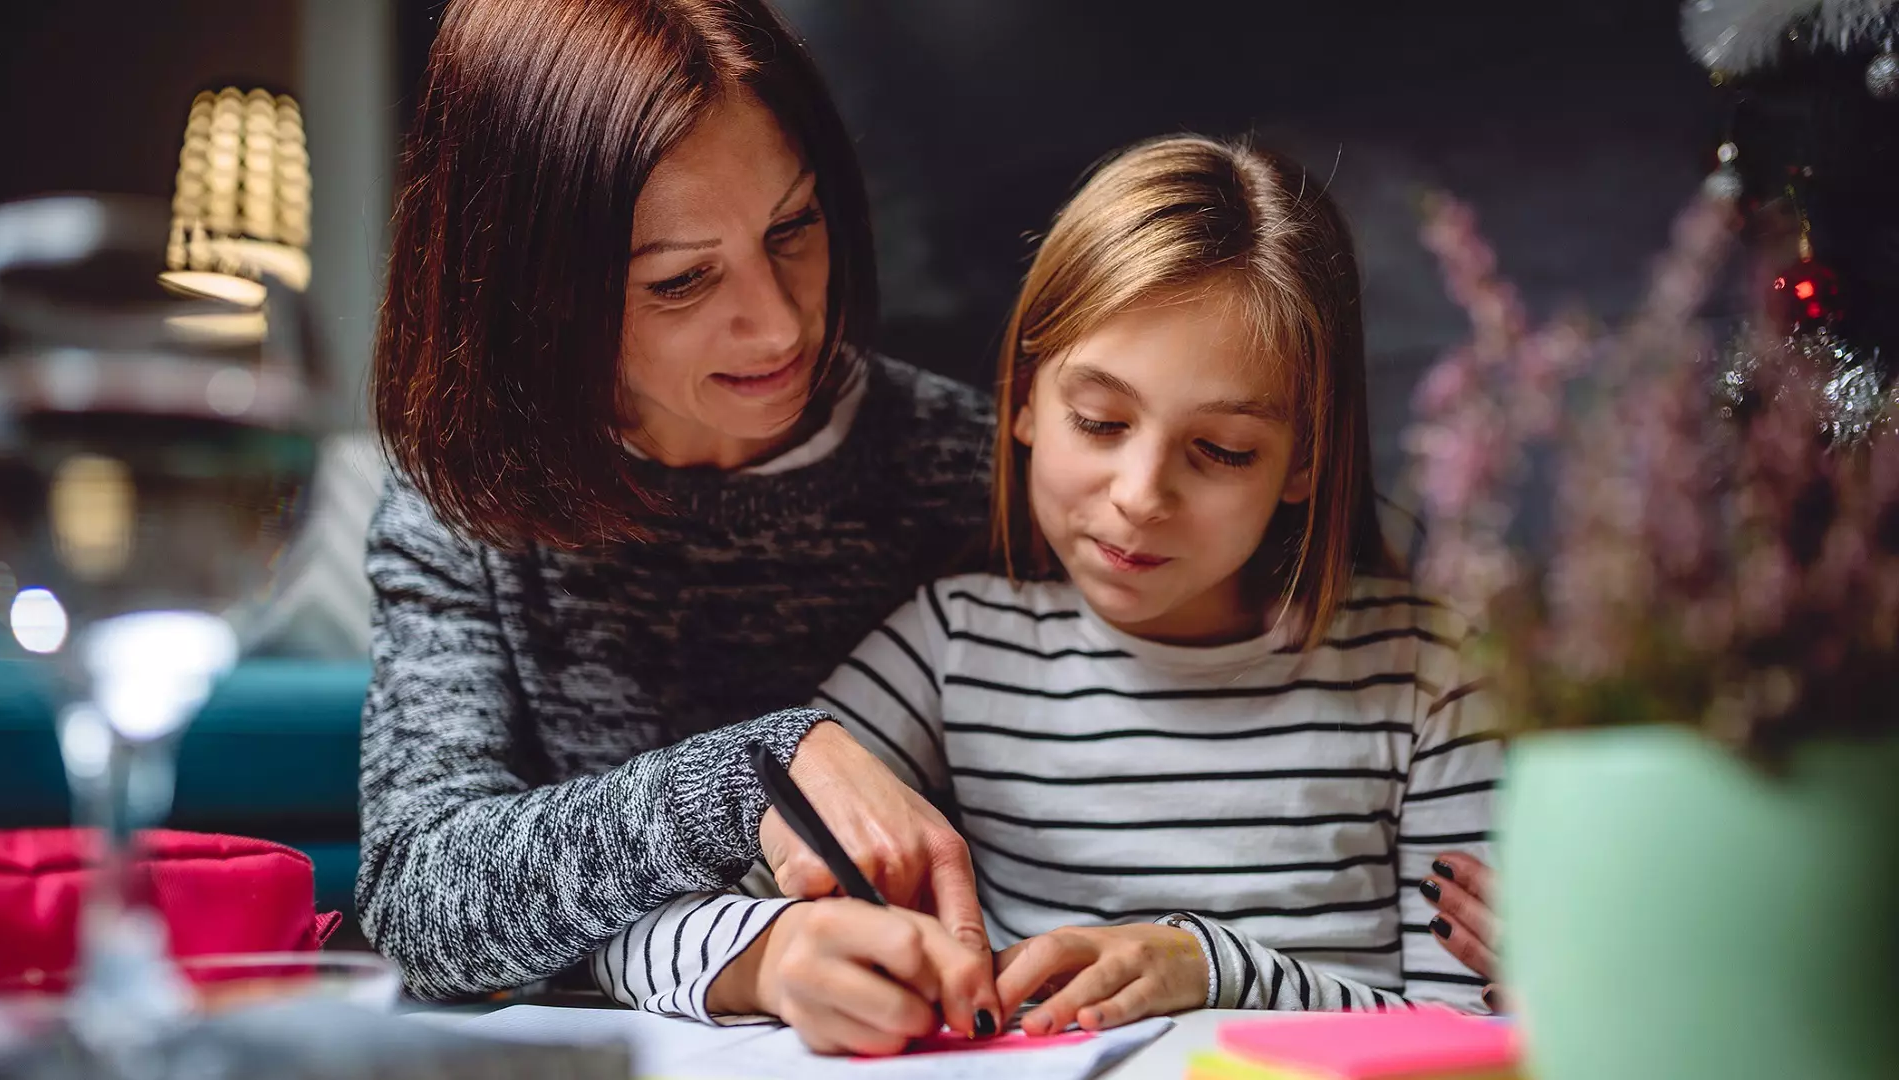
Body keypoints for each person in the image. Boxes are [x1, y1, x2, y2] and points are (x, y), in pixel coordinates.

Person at [597, 135, 1503, 1051]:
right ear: (1024, 398)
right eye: (1100, 421)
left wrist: (1214, 970)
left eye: (1222, 450)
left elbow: (1470, 1037)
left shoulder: (1430, 673)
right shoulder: (953, 648)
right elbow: (626, 933)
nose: (1142, 495)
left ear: (1304, 459)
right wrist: (783, 956)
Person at [357, 0, 999, 1004]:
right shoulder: (463, 501)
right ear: (531, 290)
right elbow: (421, 904)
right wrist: (752, 790)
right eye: (681, 282)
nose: (779, 322)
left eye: (794, 226)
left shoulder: (971, 475)